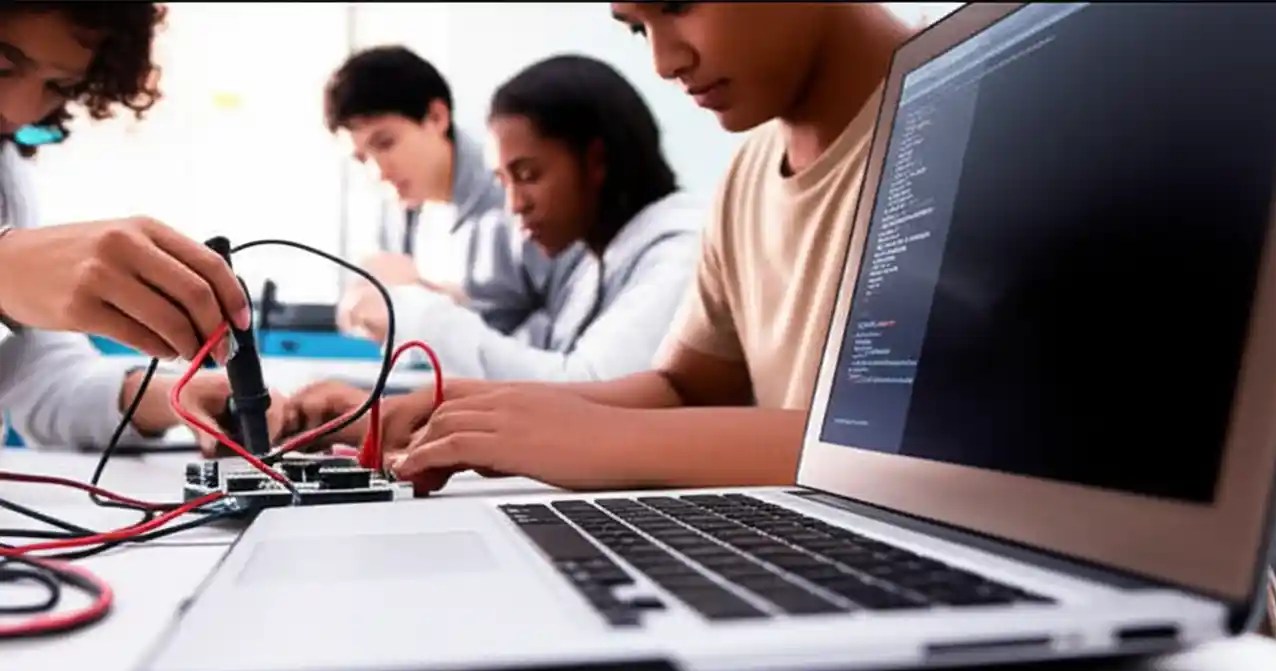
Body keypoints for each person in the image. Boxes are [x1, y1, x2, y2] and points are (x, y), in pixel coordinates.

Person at [366, 2, 917, 492]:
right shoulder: (748, 171)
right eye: (637, 29)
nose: (663, 62)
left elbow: (898, 442)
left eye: (678, 6)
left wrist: (597, 438)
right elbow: (686, 389)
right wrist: (487, 410)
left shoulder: (969, 101)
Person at [290, 54, 702, 439]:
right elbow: (534, 372)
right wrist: (381, 408)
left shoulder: (678, 250)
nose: (514, 205)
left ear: (597, 161)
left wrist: (417, 310)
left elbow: (586, 392)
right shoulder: (602, 257)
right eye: (503, 182)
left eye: (528, 175)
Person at [0, 2, 292, 455]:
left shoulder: (6, 171)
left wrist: (168, 400)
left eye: (60, 85)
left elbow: (37, 381)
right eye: (1, 65)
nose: (19, 110)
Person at [323, 45, 555, 343]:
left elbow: (567, 338)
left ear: (436, 117)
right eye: (361, 159)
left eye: (385, 143)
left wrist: (433, 309)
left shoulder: (516, 199)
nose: (378, 172)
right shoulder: (399, 210)